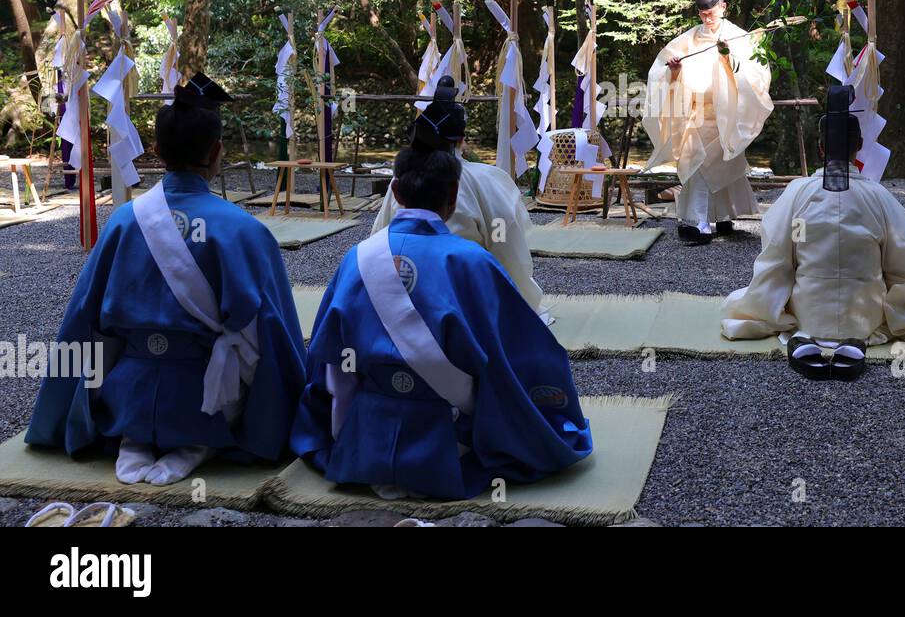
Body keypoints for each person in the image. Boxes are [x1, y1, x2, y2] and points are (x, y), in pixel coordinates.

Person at [26, 74, 307, 485]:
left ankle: (135, 435)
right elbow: (274, 331)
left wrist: (55, 414)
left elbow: (83, 318)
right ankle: (197, 440)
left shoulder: (123, 222)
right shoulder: (244, 230)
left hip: (128, 392)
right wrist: (290, 413)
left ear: (156, 152)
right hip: (206, 397)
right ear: (217, 150)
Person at [292, 141, 592, 500]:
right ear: (453, 195)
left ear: (395, 192)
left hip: (364, 436)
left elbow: (327, 356)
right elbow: (520, 350)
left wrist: (341, 426)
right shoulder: (472, 262)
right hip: (448, 442)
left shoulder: (357, 258)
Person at [721, 85, 905, 351]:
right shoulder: (878, 196)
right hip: (865, 318)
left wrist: (768, 300)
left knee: (747, 293)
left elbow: (778, 257)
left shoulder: (798, 193)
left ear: (821, 148)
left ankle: (806, 335)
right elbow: (902, 259)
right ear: (860, 145)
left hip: (810, 316)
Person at [371, 76, 544, 314]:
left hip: (403, 297)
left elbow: (380, 236)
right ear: (462, 139)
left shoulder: (403, 179)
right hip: (465, 297)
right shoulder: (489, 181)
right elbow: (505, 247)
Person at [643, 0, 773, 245]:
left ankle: (714, 218)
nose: (707, 19)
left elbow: (755, 74)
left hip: (726, 115)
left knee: (714, 165)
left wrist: (728, 58)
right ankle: (699, 222)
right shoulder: (687, 40)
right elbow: (661, 71)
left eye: (711, 13)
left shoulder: (739, 38)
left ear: (723, 7)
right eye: (702, 14)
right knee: (697, 165)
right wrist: (674, 71)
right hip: (695, 115)